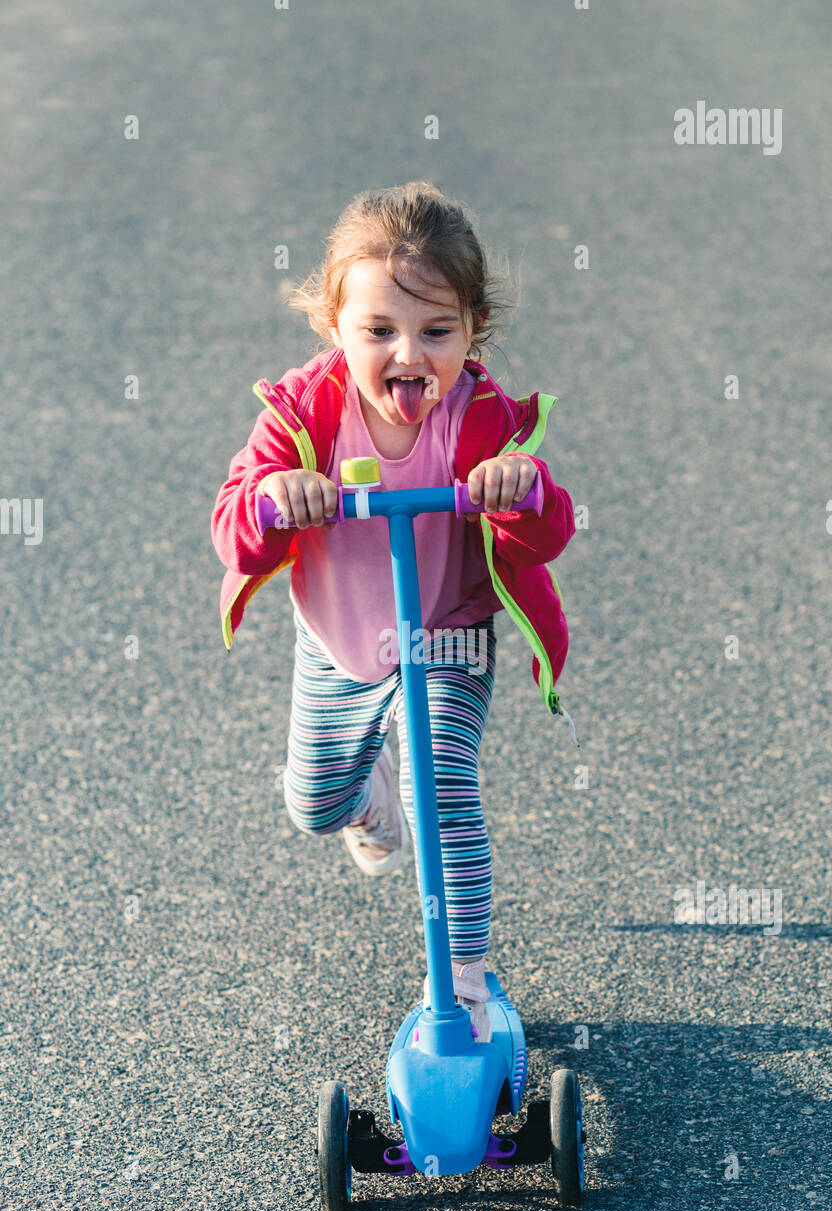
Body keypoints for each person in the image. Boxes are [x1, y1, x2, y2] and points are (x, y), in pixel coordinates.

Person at [211, 180, 576, 1042]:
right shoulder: (304, 416)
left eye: (436, 331)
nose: (408, 354)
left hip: (445, 629)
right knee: (314, 805)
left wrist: (520, 492)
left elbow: (547, 534)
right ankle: (367, 794)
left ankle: (466, 984)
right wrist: (274, 497)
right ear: (333, 326)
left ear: (472, 330)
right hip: (340, 641)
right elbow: (232, 527)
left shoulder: (481, 419)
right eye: (378, 330)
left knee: (445, 785)